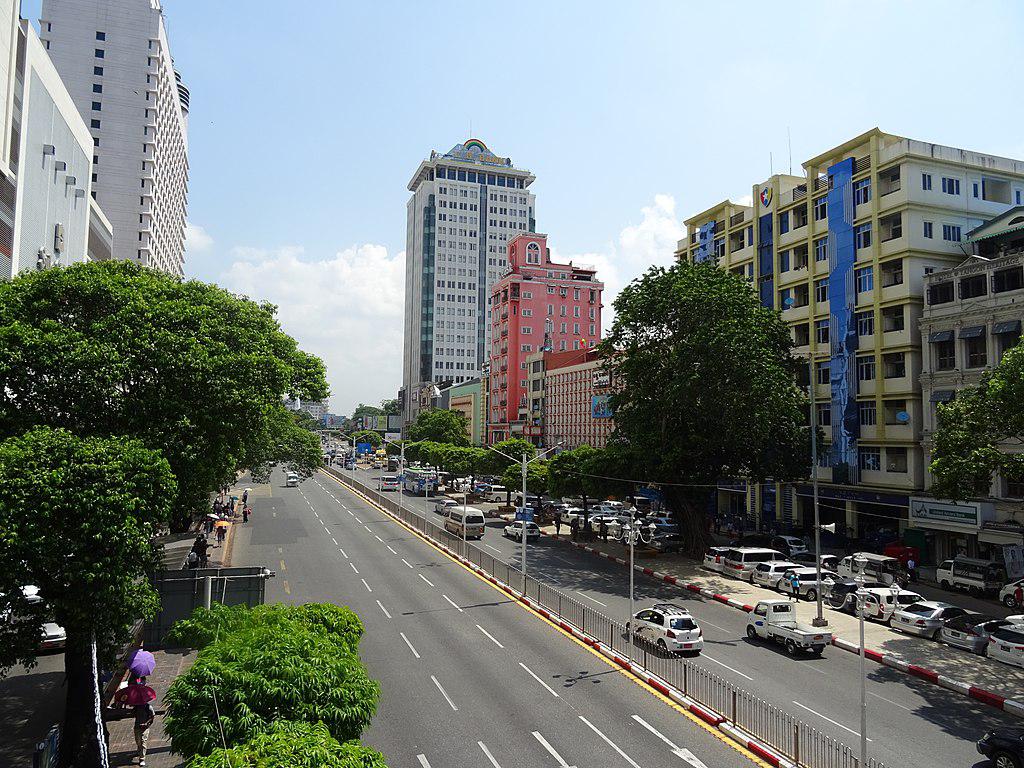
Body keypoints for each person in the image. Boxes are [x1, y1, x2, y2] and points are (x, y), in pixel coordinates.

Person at [133, 698, 155, 767]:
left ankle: (142, 759)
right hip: (137, 727)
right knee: (138, 741)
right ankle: (139, 750)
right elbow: (133, 713)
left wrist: (146, 723)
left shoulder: (148, 707)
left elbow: (152, 716)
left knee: (143, 742)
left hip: (145, 728)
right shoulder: (136, 707)